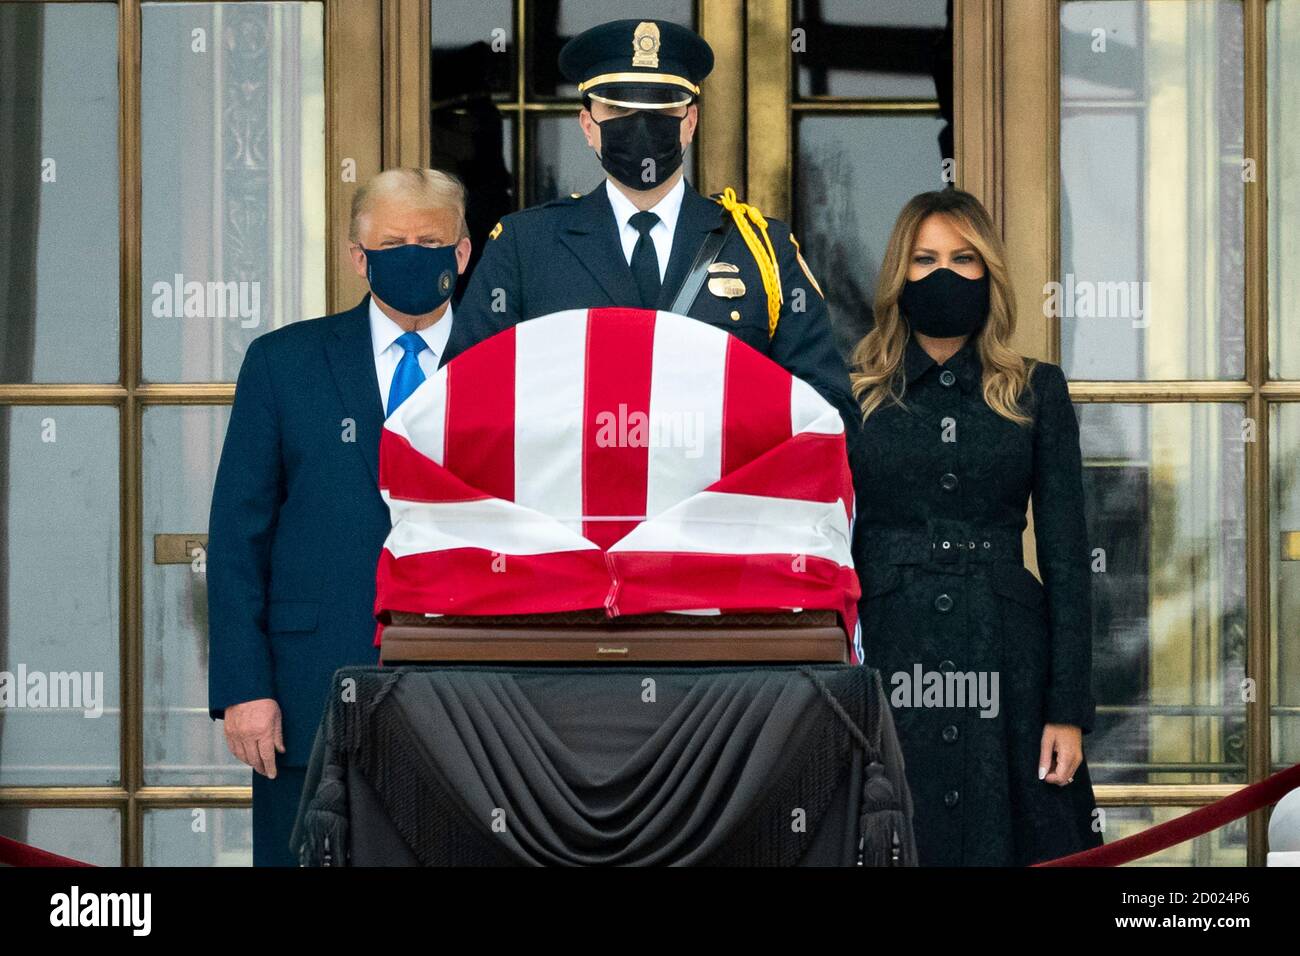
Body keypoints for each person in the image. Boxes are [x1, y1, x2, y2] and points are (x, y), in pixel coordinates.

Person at [206, 168, 472, 866]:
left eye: (429, 240)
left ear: (462, 252)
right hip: (306, 693)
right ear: (357, 256)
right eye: (390, 242)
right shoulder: (283, 363)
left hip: (474, 699)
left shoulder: (511, 362)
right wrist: (245, 689)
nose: (411, 254)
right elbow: (239, 537)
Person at [849, 188, 1103, 866]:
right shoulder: (852, 394)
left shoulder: (1034, 389)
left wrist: (1068, 708)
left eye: (964, 259)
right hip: (885, 653)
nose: (944, 274)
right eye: (925, 259)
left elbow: (1068, 557)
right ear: (898, 274)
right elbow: (826, 544)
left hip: (1009, 659)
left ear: (988, 271)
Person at [451, 18, 858, 436]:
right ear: (588, 126)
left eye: (662, 108)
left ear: (690, 122)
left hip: (717, 498)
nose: (641, 122)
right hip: (574, 499)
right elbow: (462, 401)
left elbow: (827, 407)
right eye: (619, 108)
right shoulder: (525, 247)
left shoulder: (762, 249)